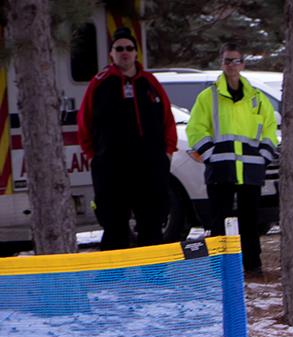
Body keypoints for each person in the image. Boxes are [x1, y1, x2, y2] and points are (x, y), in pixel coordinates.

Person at [77, 28, 178, 250]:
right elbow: (84, 122)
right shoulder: (100, 83)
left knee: (152, 220)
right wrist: (94, 157)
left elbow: (168, 120)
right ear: (111, 54)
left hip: (149, 165)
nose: (125, 53)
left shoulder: (150, 82)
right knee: (114, 224)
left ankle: (153, 273)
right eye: (119, 49)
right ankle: (116, 276)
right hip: (112, 166)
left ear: (136, 53)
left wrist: (167, 153)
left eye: (129, 48)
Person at [186, 43, 277, 275]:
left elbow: (269, 128)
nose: (232, 65)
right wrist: (211, 156)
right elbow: (196, 129)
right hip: (221, 169)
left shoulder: (256, 98)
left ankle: (253, 266)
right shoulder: (209, 97)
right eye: (227, 61)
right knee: (219, 221)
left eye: (236, 61)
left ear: (243, 64)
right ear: (221, 63)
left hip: (250, 170)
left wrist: (264, 156)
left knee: (250, 221)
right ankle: (220, 268)